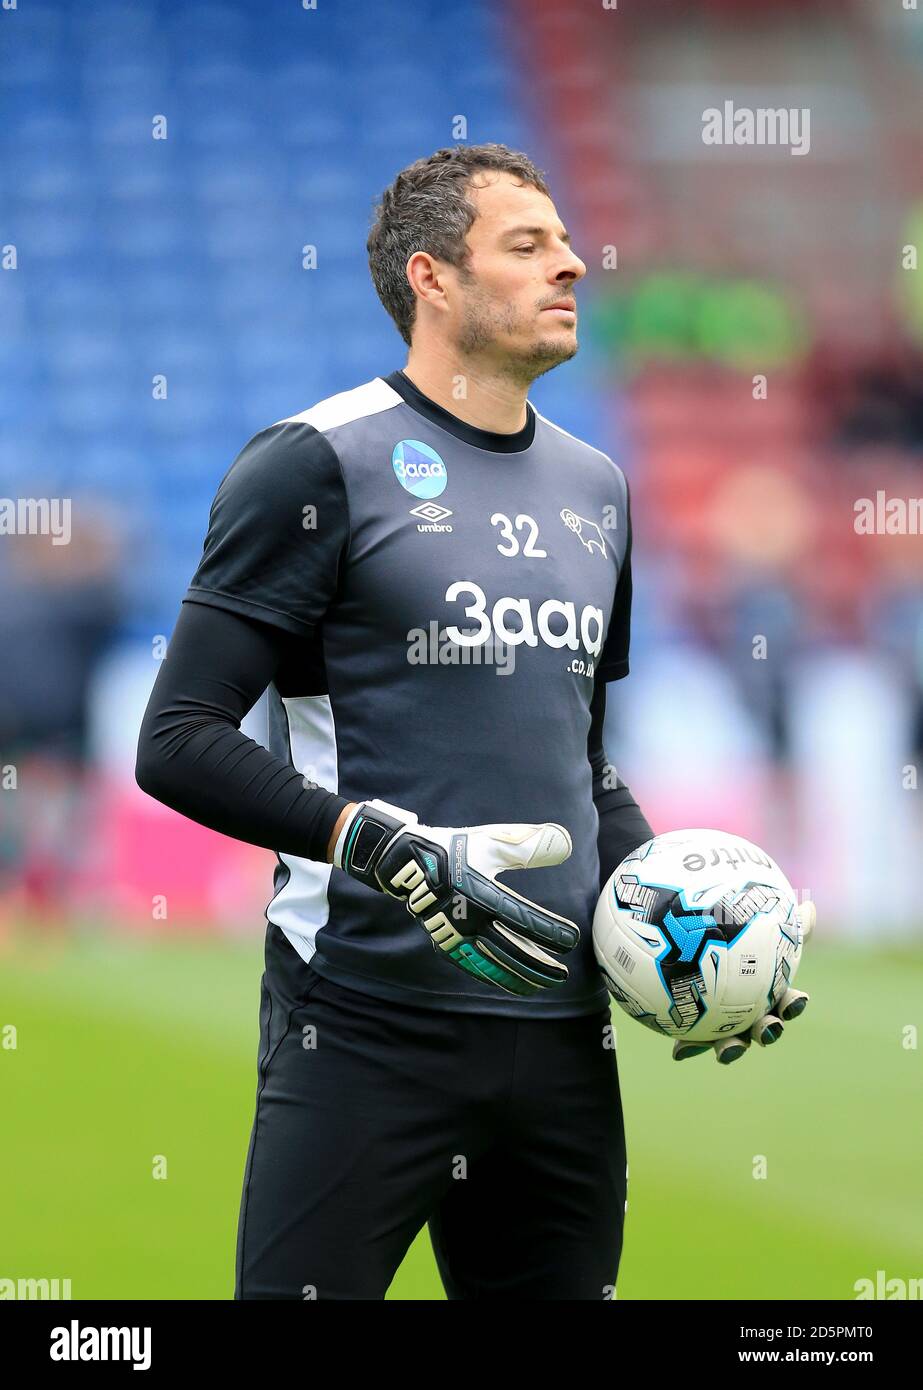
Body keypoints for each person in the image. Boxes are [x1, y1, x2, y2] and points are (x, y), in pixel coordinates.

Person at [136, 143, 653, 1300]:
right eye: (526, 246)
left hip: (563, 1030)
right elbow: (176, 737)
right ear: (432, 278)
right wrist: (377, 841)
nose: (572, 264)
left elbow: (582, 759)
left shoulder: (599, 490)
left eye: (566, 242)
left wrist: (677, 909)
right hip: (364, 1023)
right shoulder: (315, 461)